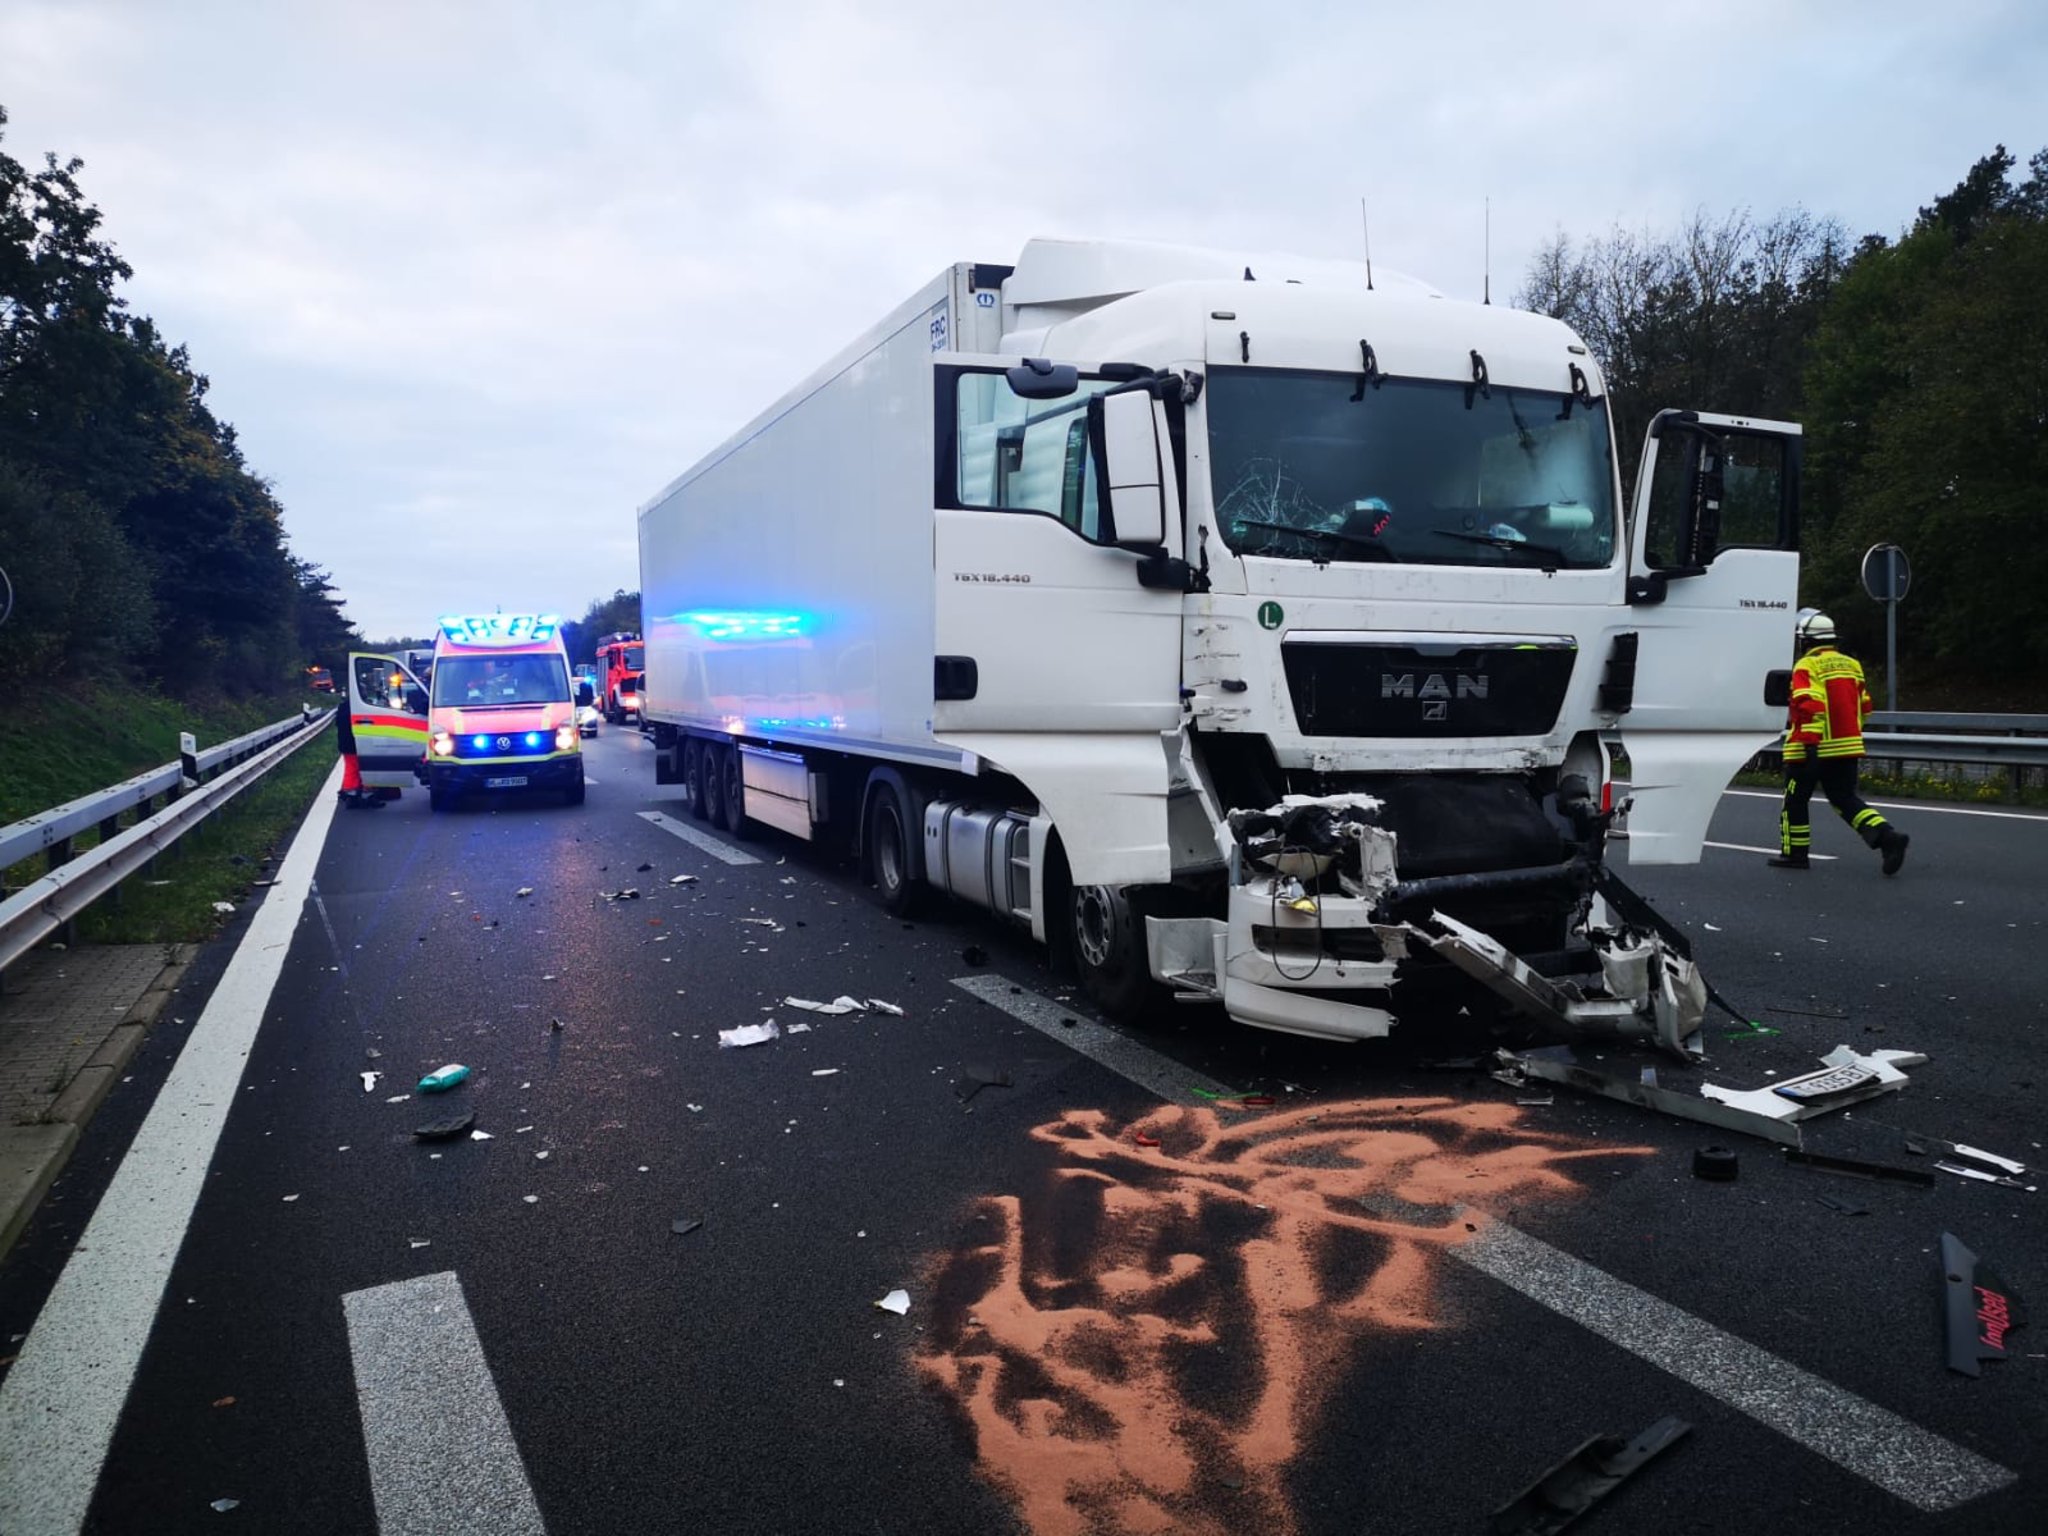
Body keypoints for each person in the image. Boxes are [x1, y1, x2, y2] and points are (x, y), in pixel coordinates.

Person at [1771, 610, 1905, 874]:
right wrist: (1849, 736)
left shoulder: (1807, 666)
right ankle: (1887, 837)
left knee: (1794, 801)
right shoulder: (1851, 665)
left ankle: (1795, 855)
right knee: (1844, 798)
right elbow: (1865, 707)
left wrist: (1810, 745)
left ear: (1806, 641)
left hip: (1812, 748)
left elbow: (1811, 705)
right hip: (1847, 747)